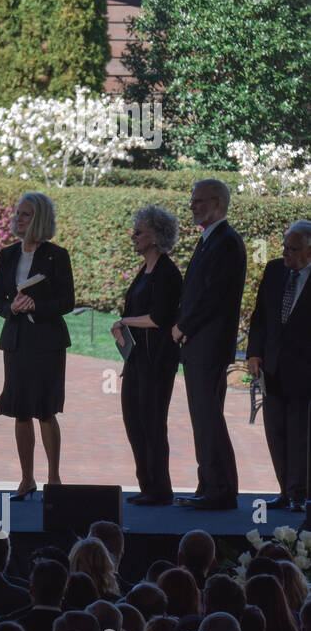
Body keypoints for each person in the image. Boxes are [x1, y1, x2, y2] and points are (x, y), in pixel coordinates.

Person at [0, 192, 75, 500]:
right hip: (16, 341)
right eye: (17, 213)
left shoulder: (57, 255)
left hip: (47, 343)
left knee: (45, 410)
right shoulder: (7, 255)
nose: (18, 218)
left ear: (39, 218)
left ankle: (54, 479)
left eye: (25, 214)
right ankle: (26, 479)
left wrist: (36, 305)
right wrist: (11, 308)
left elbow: (67, 301)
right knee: (20, 410)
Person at [172, 179, 246, 510]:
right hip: (200, 344)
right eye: (192, 201)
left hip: (208, 344)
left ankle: (221, 489)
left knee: (208, 417)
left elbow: (214, 296)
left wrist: (183, 326)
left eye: (199, 201)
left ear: (217, 204)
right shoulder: (210, 241)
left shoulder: (226, 243)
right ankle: (209, 484)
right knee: (203, 417)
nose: (192, 206)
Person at [111, 205, 183, 506]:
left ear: (155, 237)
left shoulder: (167, 272)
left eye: (139, 232)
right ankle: (146, 484)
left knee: (152, 422)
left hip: (158, 361)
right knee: (134, 420)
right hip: (138, 359)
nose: (133, 237)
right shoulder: (144, 271)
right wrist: (123, 327)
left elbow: (160, 317)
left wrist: (125, 322)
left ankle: (159, 489)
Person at [247, 220, 311, 512]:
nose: (285, 253)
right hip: (272, 367)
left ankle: (300, 495)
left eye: (293, 249)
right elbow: (259, 316)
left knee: (301, 435)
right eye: (284, 247)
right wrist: (253, 354)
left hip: (304, 371)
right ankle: (285, 491)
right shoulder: (274, 270)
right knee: (276, 432)